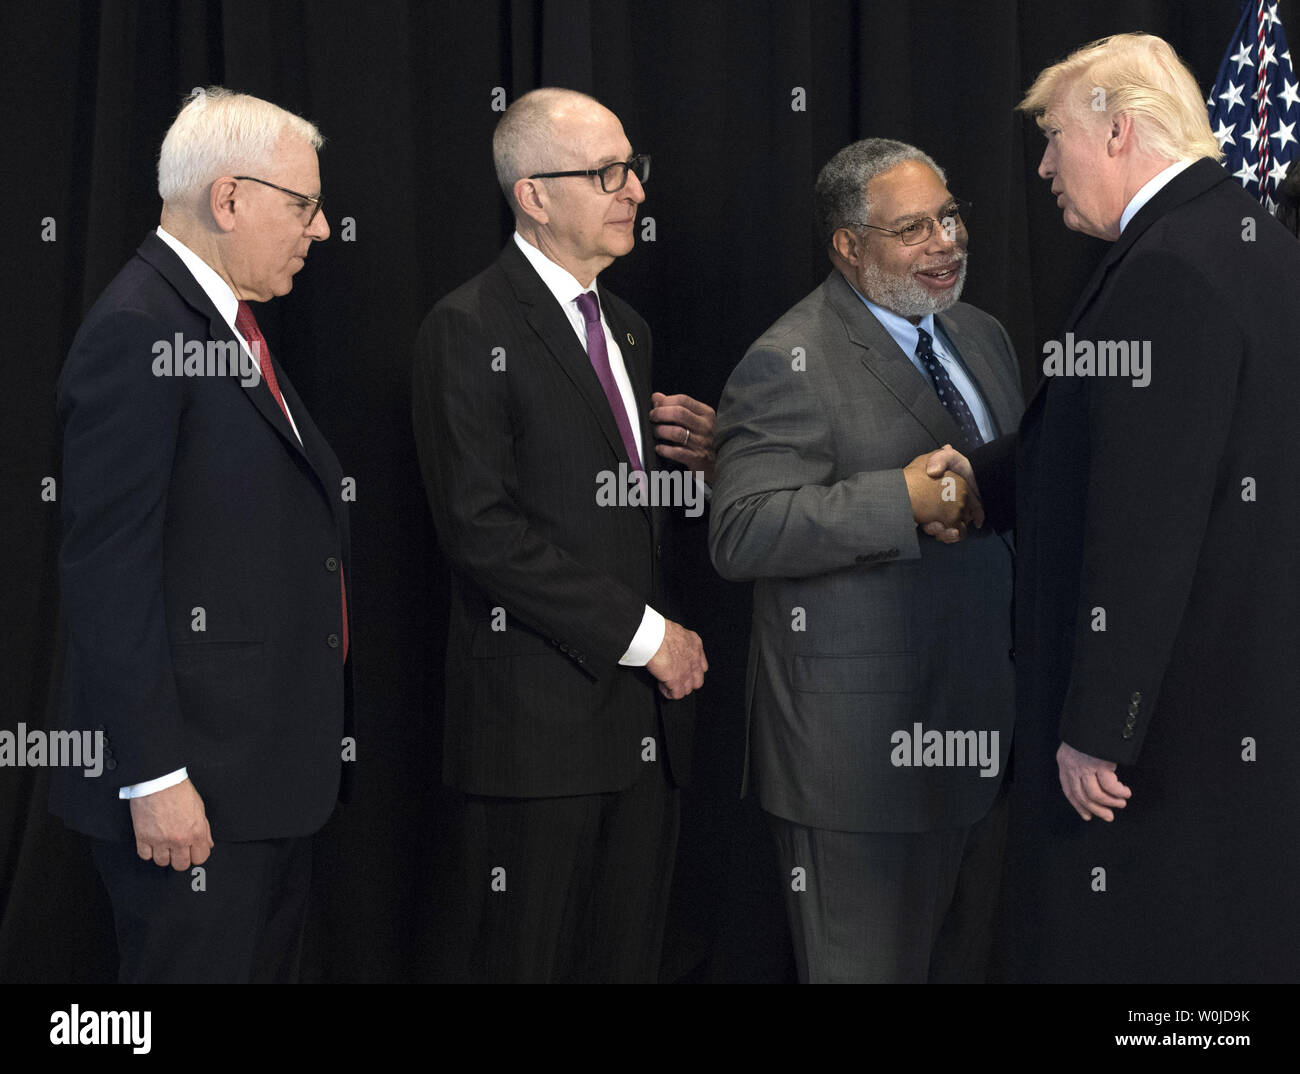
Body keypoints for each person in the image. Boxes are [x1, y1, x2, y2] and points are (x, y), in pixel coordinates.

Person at [971, 32, 1300, 981]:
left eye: (1054, 139)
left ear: (1116, 131)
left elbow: (1148, 520)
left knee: (1149, 955)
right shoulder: (1250, 243)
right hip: (1241, 690)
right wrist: (980, 480)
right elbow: (1116, 444)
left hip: (1165, 730)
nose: (1042, 166)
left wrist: (1097, 726)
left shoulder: (1166, 270)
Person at [412, 87, 714, 983]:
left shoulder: (628, 328)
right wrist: (650, 636)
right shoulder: (465, 327)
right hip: (533, 741)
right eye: (607, 173)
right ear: (533, 195)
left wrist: (705, 463)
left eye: (634, 170)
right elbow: (482, 531)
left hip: (644, 738)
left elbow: (605, 515)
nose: (634, 192)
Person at [52, 87, 350, 983]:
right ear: (229, 199)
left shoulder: (224, 322)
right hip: (194, 796)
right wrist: (154, 779)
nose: (324, 228)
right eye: (303, 205)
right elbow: (110, 570)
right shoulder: (141, 328)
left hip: (257, 787)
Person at [709, 138, 1023, 982]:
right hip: (858, 772)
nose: (946, 243)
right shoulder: (788, 358)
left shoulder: (983, 335)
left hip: (985, 744)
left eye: (950, 216)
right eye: (913, 229)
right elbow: (740, 528)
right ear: (849, 246)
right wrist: (902, 502)